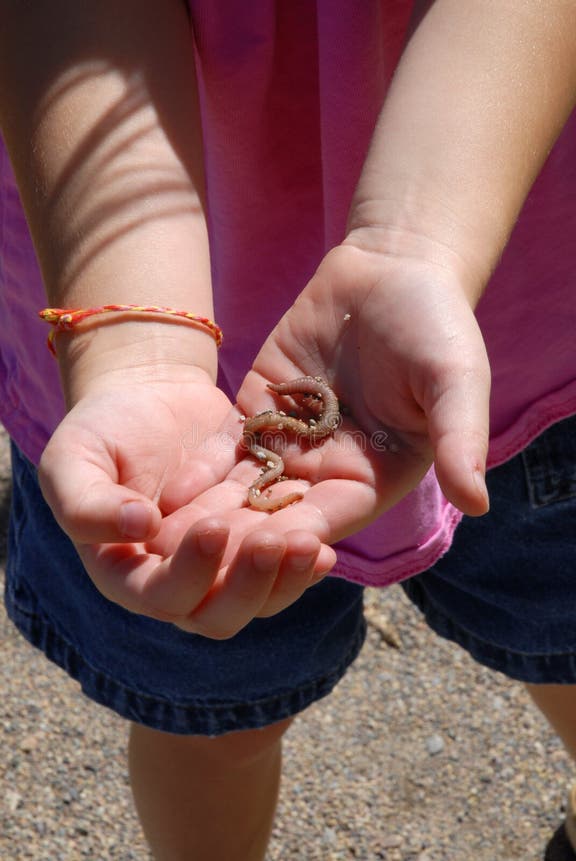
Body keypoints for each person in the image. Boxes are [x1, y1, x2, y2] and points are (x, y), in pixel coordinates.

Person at [1, 1, 575, 858]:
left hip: (520, 307)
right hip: (128, 281)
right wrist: (132, 350)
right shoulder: (265, 439)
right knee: (208, 707)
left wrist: (414, 241)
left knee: (559, 628)